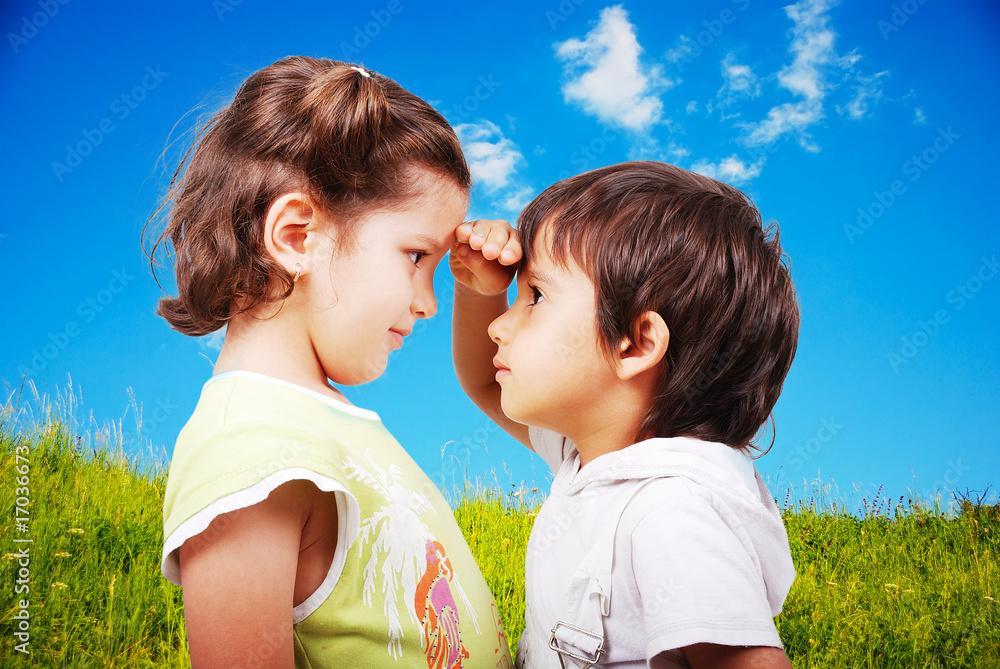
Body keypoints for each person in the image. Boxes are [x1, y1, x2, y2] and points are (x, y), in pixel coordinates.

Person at [145, 56, 513, 668]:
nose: (427, 303)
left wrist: (481, 291)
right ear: (295, 237)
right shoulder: (247, 447)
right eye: (418, 256)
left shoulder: (322, 421)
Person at [451, 161, 799, 668]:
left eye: (537, 296)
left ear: (635, 344)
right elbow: (487, 380)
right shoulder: (591, 458)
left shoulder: (671, 509)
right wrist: (482, 290)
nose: (499, 326)